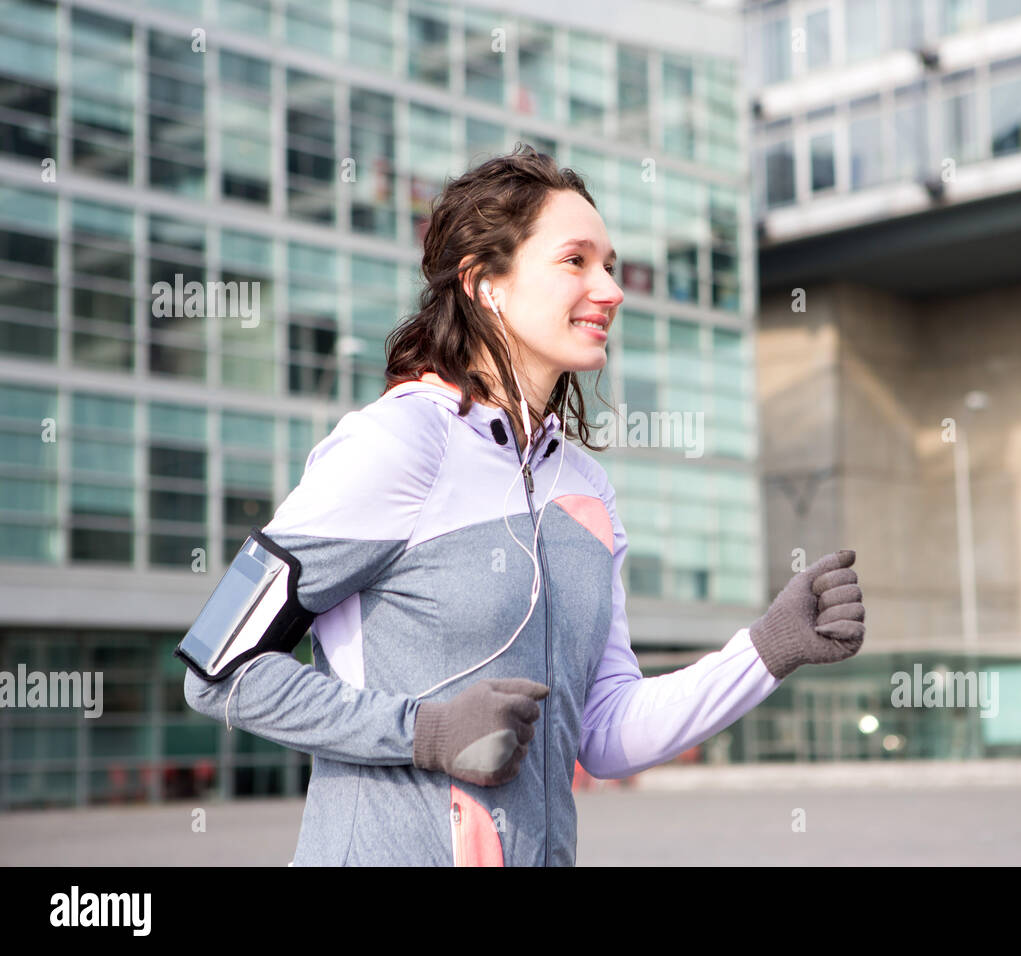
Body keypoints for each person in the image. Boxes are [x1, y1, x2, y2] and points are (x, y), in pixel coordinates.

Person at [181, 144, 866, 866]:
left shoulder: (586, 490)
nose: (611, 289)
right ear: (486, 285)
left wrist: (765, 651)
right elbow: (217, 667)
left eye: (608, 264)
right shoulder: (396, 443)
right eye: (577, 261)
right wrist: (429, 732)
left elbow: (604, 733)